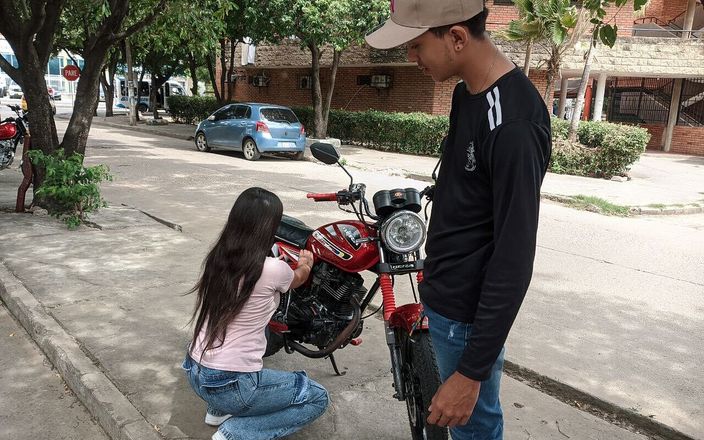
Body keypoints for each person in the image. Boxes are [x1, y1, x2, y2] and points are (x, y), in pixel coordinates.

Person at [366, 1, 552, 439]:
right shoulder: (465, 93)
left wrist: (471, 373)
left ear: (456, 37)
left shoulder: (514, 126)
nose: (413, 59)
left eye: (416, 46)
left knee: (475, 426)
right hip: (444, 297)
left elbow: (513, 257)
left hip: (468, 318)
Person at [182, 187, 329, 440]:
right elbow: (297, 279)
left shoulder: (217, 257)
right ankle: (235, 433)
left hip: (195, 371)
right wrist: (305, 263)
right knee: (316, 397)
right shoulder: (273, 269)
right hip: (231, 383)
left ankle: (217, 412)